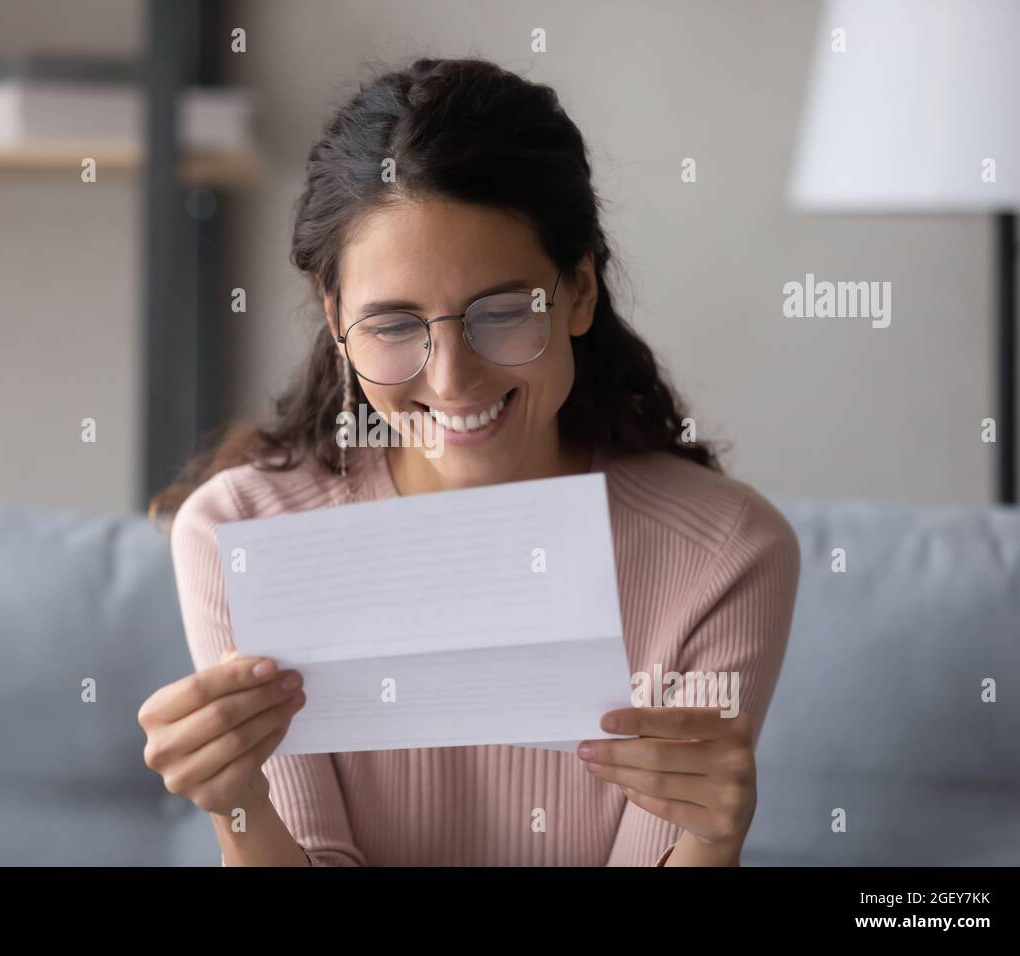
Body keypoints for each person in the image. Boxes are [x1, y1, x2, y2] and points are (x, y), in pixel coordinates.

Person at [140, 56, 800, 866]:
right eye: (392, 325)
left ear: (581, 292)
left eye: (500, 314)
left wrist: (711, 836)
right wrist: (237, 807)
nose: (452, 381)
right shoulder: (241, 532)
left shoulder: (724, 555)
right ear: (335, 318)